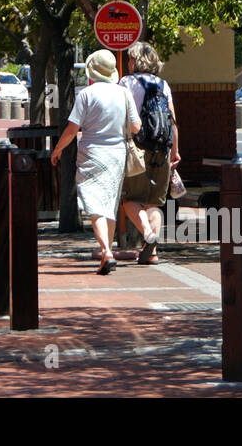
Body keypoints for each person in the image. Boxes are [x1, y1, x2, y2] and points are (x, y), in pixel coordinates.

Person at [51, 50, 140, 274]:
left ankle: (106, 252)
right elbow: (136, 127)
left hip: (92, 152)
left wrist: (58, 150)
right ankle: (106, 252)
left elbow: (72, 129)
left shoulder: (86, 94)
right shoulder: (124, 93)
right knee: (109, 202)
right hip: (117, 153)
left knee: (94, 202)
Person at [119, 42, 181, 264]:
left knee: (130, 199)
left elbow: (122, 117)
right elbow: (173, 122)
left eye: (129, 59)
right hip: (162, 150)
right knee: (154, 202)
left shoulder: (126, 83)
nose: (128, 63)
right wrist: (175, 151)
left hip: (138, 149)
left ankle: (147, 233)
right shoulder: (163, 85)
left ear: (136, 61)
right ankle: (152, 252)